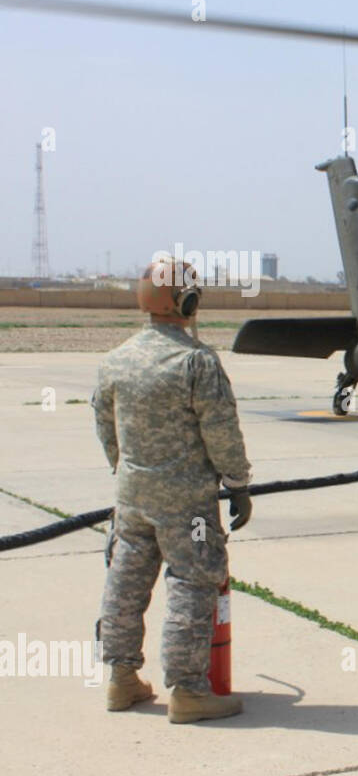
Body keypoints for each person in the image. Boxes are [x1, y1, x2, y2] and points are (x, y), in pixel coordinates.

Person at [92, 257, 251, 724]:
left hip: (134, 498)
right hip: (189, 508)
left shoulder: (116, 359)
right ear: (186, 301)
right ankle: (188, 691)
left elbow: (106, 428)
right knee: (192, 583)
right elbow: (222, 431)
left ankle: (122, 680)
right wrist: (238, 484)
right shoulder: (196, 361)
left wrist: (127, 472)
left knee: (125, 582)